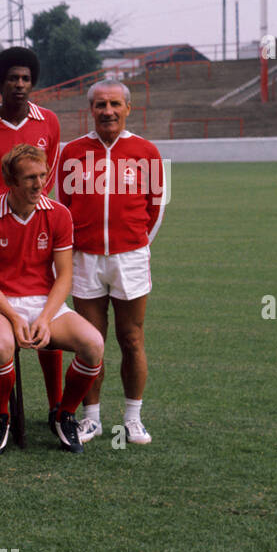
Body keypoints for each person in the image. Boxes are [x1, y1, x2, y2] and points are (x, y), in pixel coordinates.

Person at [0, 144, 104, 455]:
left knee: (94, 344)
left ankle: (65, 414)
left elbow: (64, 277)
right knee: (1, 346)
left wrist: (45, 317)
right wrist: (15, 317)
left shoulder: (59, 214)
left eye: (43, 175)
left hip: (46, 303)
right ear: (10, 181)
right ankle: (1, 416)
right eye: (30, 178)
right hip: (0, 305)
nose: (39, 184)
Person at [58, 81, 167, 445]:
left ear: (128, 108)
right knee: (92, 341)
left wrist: (133, 245)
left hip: (130, 258)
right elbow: (64, 206)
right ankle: (92, 418)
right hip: (85, 259)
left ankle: (133, 417)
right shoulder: (72, 152)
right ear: (91, 110)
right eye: (101, 104)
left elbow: (156, 209)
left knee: (132, 338)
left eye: (115, 104)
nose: (108, 111)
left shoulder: (147, 151)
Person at [0, 47, 64, 421]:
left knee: (45, 314)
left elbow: (48, 176)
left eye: (25, 78)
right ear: (0, 82)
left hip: (35, 231)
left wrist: (32, 210)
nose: (19, 85)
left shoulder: (49, 122)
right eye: (12, 78)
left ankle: (57, 405)